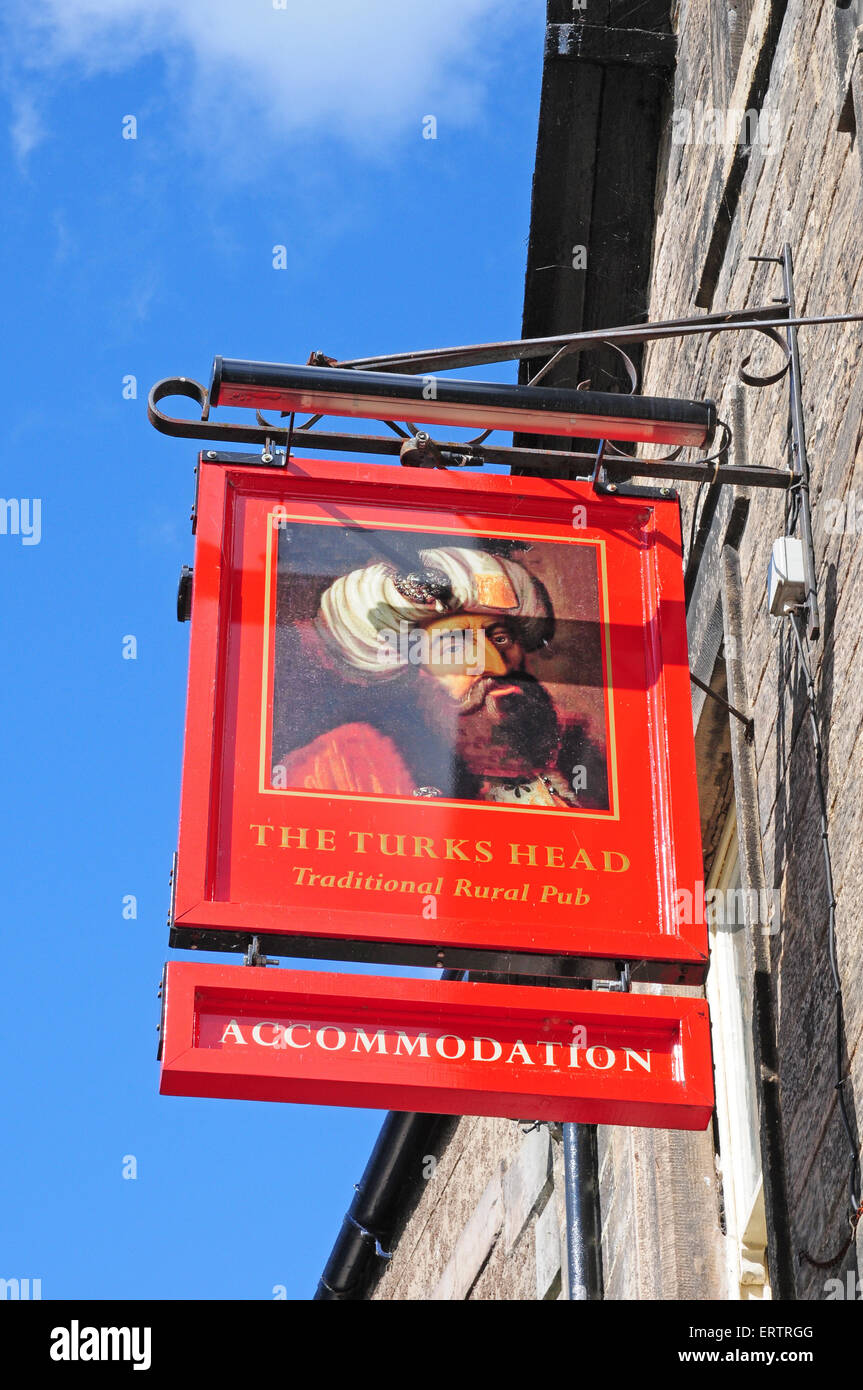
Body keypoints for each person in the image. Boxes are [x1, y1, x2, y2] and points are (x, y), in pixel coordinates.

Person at [272, 544, 607, 808]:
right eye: (454, 646)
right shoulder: (341, 763)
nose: (496, 665)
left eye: (500, 638)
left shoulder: (580, 751)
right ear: (411, 671)